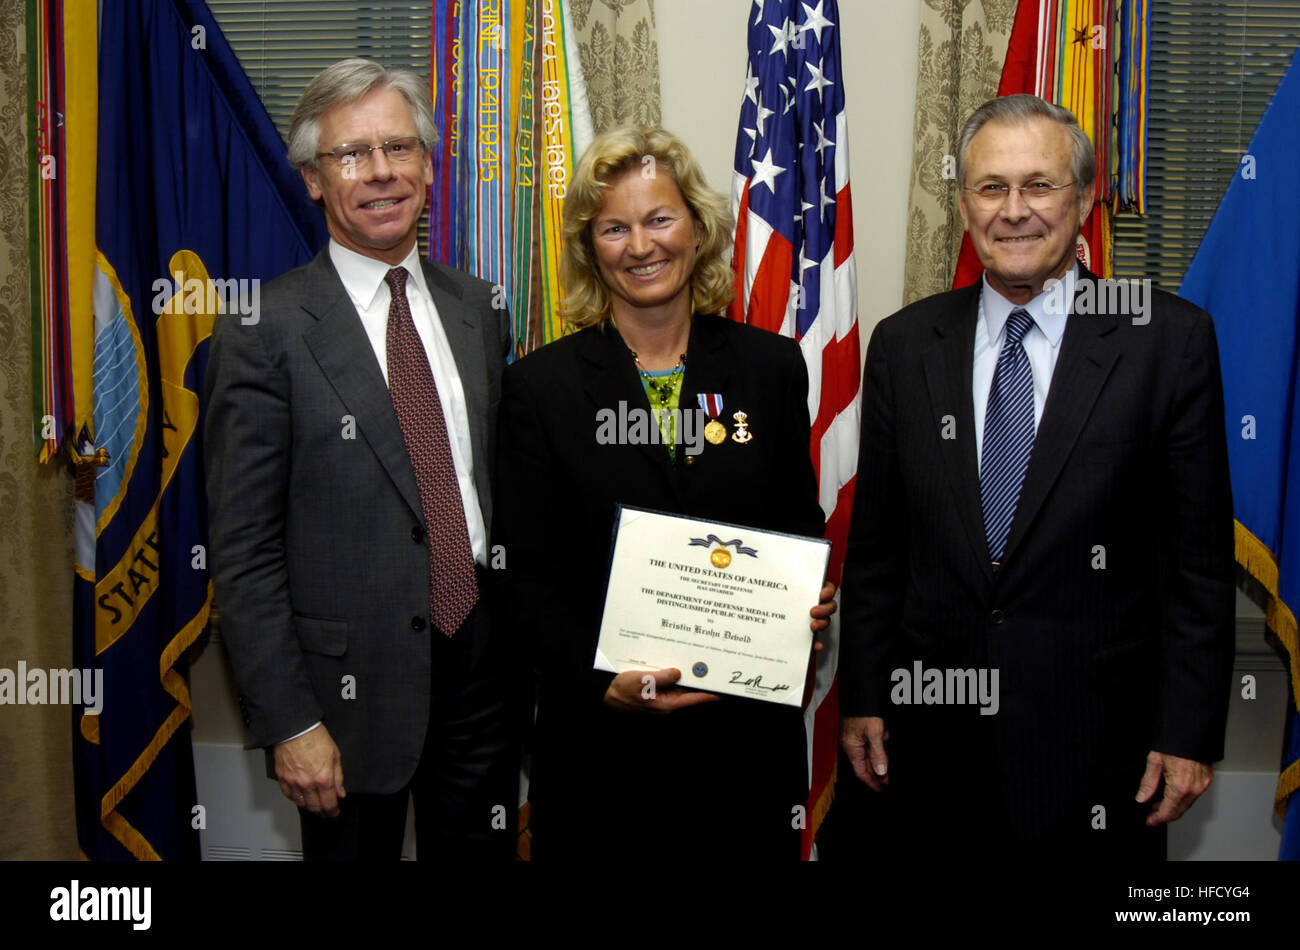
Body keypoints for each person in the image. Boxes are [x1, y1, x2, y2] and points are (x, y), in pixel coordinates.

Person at [835, 94, 1235, 860]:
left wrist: (1186, 733)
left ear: (1083, 198)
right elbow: (880, 551)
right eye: (992, 188)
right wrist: (863, 700)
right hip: (931, 757)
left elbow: (1197, 566)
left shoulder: (1168, 342)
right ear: (963, 204)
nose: (1014, 211)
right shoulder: (904, 344)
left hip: (1098, 757)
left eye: (1039, 185)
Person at [204, 58, 515, 861]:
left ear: (427, 165)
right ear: (312, 178)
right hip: (343, 700)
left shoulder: (479, 309)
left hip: (482, 682)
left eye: (399, 148)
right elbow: (242, 553)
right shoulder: (261, 329)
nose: (381, 172)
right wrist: (292, 721)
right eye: (352, 155)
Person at [496, 127, 835, 860]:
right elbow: (527, 577)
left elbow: (797, 528)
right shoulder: (539, 389)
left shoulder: (771, 369)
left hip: (742, 747)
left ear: (697, 227)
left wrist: (807, 594)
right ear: (591, 249)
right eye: (615, 227)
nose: (641, 245)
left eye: (659, 218)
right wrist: (603, 684)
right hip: (601, 757)